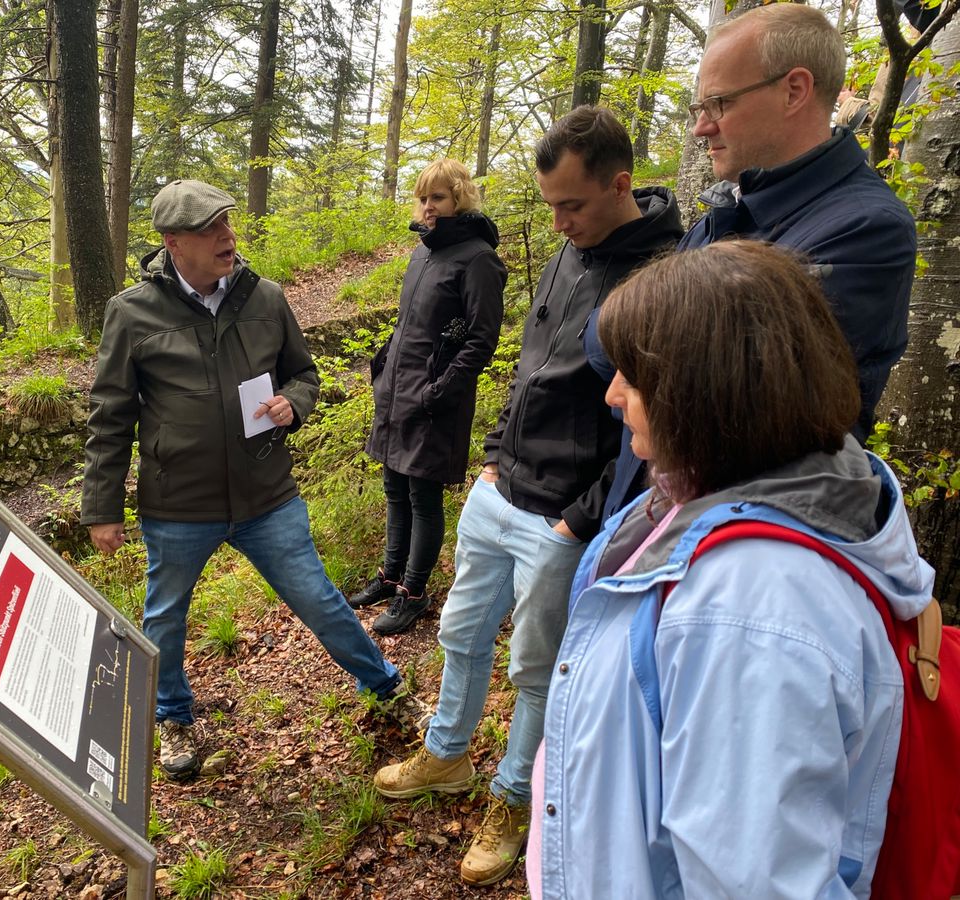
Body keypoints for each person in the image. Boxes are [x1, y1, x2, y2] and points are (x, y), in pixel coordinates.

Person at [528, 241, 934, 898]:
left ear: (703, 388)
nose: (612, 394)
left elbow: (757, 881)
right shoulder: (705, 496)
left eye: (633, 374)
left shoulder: (749, 606)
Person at [373, 107, 683, 887]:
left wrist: (581, 518)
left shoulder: (663, 274)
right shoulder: (565, 251)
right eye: (549, 205)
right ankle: (446, 754)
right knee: (460, 632)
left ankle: (515, 797)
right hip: (500, 487)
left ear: (620, 184)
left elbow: (644, 418)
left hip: (565, 516)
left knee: (537, 669)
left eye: (572, 205)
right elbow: (526, 361)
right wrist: (489, 458)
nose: (559, 221)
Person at [80, 179, 424, 780]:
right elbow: (111, 414)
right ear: (172, 243)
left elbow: (305, 374)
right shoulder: (132, 312)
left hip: (267, 496)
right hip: (180, 503)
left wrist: (295, 401)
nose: (226, 236)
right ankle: (173, 716)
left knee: (319, 598)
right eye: (210, 228)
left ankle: (387, 688)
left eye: (228, 223)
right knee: (165, 615)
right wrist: (102, 507)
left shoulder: (265, 297)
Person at [593, 2, 917, 522]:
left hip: (741, 536)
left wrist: (640, 344)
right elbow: (608, 347)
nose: (701, 127)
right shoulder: (729, 211)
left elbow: (726, 398)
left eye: (717, 103)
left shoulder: (866, 229)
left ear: (794, 90)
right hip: (658, 516)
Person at [352, 159, 506, 635]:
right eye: (423, 198)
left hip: (435, 398)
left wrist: (440, 390)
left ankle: (413, 593)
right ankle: (391, 574)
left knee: (422, 495)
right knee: (395, 488)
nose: (428, 206)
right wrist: (383, 364)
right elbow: (410, 325)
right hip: (398, 391)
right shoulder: (422, 253)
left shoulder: (478, 258)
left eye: (437, 197)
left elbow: (482, 339)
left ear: (459, 198)